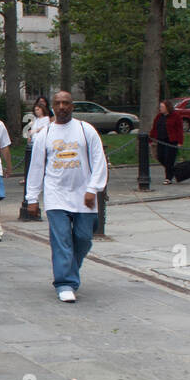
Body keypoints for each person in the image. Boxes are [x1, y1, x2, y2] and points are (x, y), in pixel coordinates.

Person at [26, 91, 109, 303]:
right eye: (58, 103)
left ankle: (69, 268)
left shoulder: (86, 130)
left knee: (83, 238)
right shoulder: (44, 134)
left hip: (83, 195)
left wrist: (93, 189)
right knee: (61, 239)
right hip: (56, 194)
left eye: (66, 103)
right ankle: (65, 283)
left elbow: (99, 160)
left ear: (72, 106)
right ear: (52, 107)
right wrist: (32, 198)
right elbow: (36, 167)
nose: (62, 106)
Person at [152, 99, 185, 185]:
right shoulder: (159, 116)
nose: (160, 108)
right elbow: (154, 128)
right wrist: (151, 139)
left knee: (169, 159)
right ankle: (173, 170)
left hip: (171, 141)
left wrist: (180, 142)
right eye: (160, 107)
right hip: (161, 140)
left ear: (167, 107)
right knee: (160, 157)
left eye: (162, 107)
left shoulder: (176, 116)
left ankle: (168, 177)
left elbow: (179, 130)